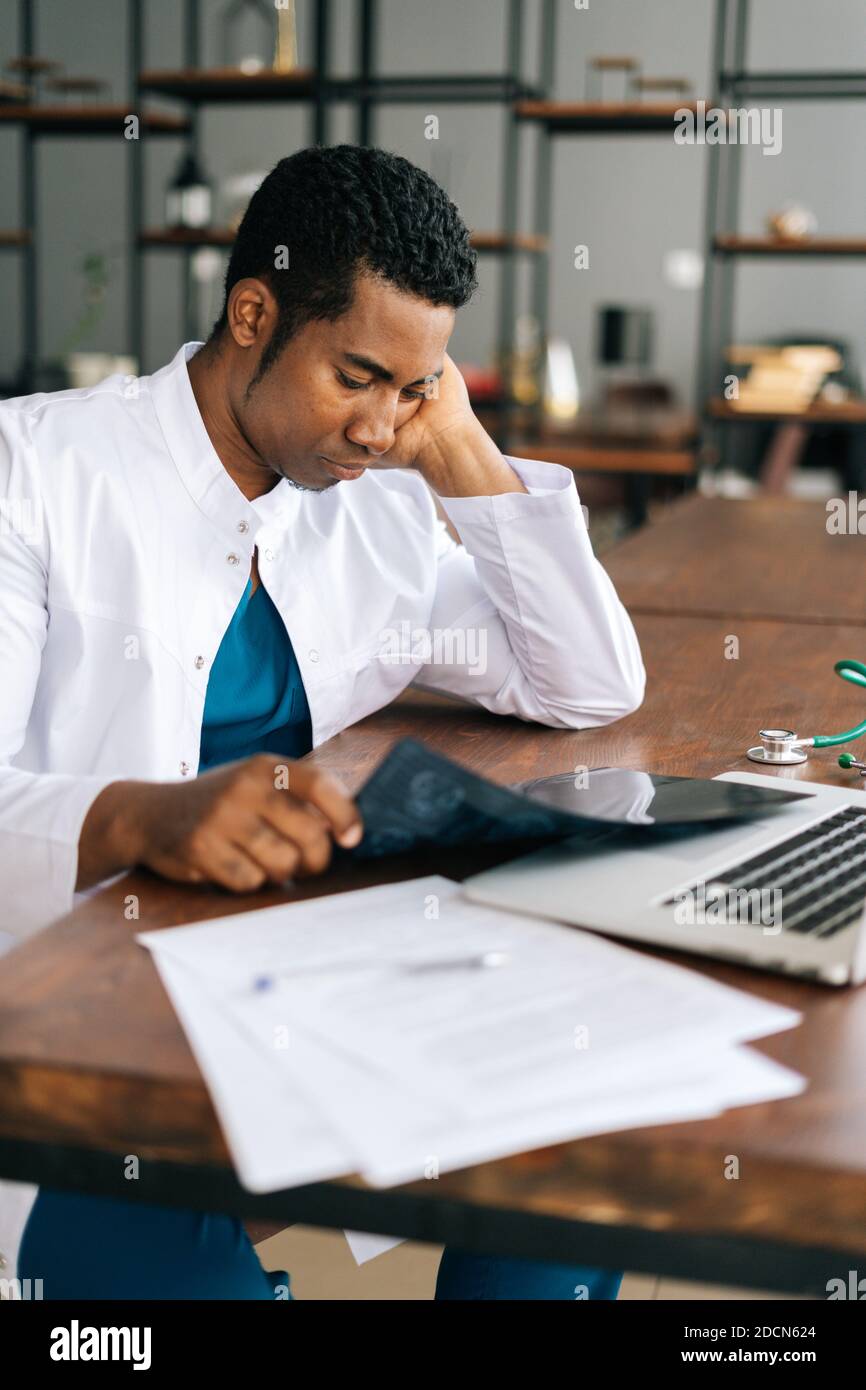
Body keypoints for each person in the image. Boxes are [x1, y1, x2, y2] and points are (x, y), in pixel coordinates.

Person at [0, 145, 644, 1299]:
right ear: (253, 314)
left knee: (567, 1165)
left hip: (290, 979)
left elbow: (583, 681)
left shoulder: (372, 508)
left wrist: (459, 448)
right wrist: (144, 816)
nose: (380, 426)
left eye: (414, 388)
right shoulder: (35, 472)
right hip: (70, 1029)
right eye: (358, 376)